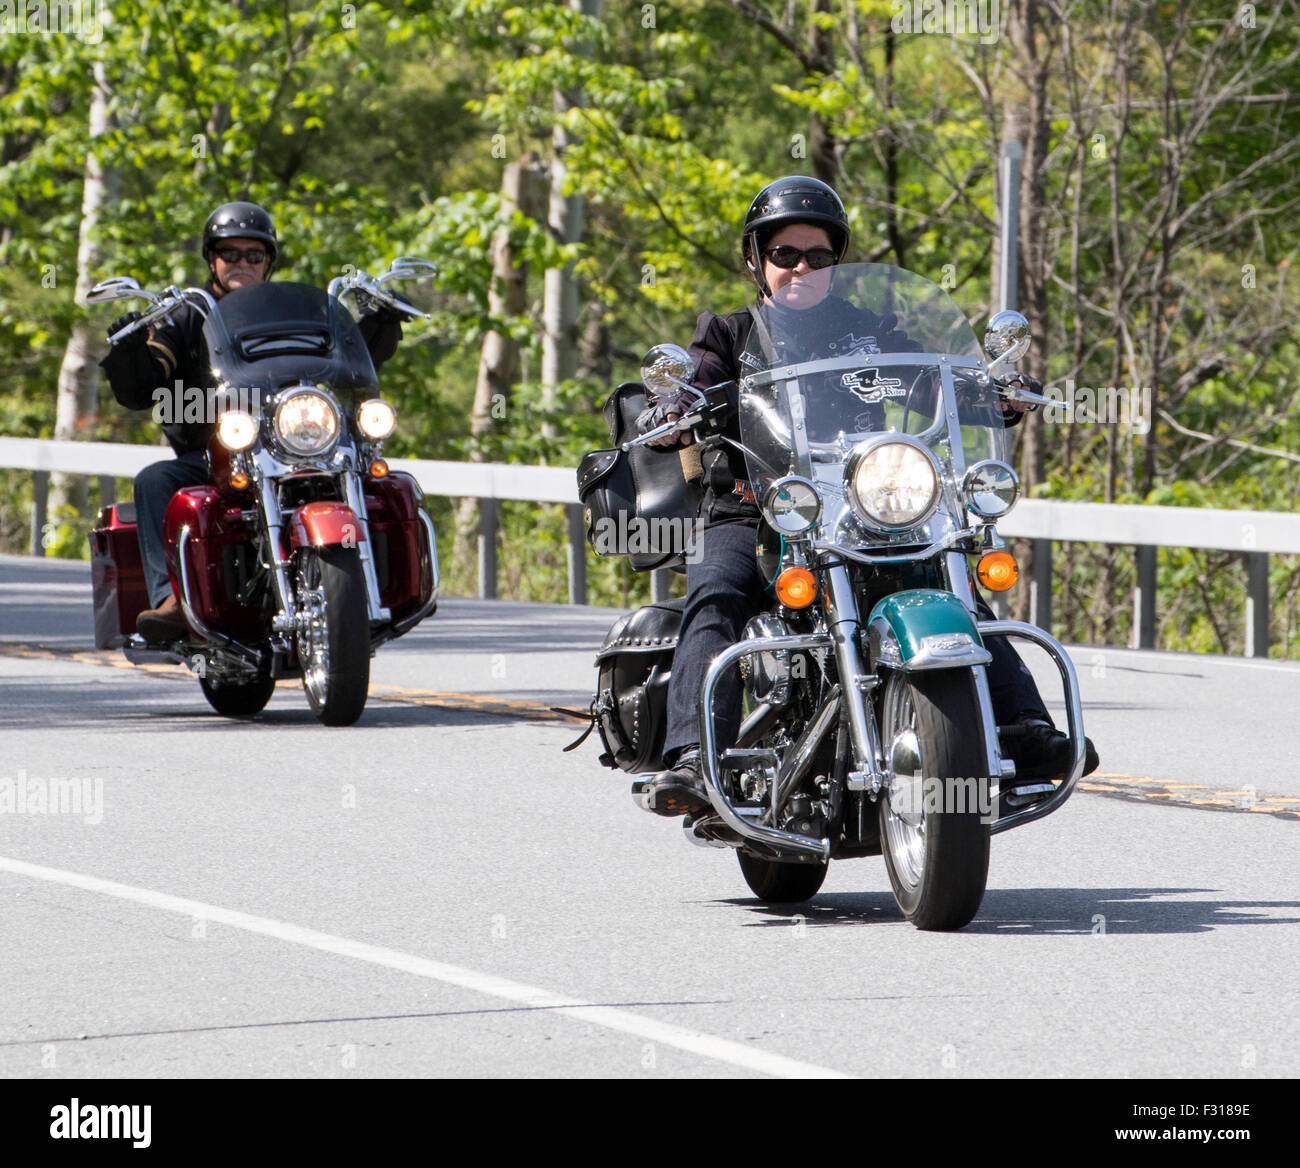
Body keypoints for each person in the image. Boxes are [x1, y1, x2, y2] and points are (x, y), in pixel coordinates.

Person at [639, 175, 1098, 816]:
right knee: (716, 593)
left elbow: (933, 380)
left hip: (862, 506)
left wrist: (990, 392)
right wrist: (676, 408)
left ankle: (1022, 726)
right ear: (757, 260)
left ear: (836, 263)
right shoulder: (729, 334)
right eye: (785, 255)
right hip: (760, 506)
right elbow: (692, 390)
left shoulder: (872, 330)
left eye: (819, 257)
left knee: (951, 579)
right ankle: (693, 755)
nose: (802, 267)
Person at [100, 201, 406, 643]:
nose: (242, 263)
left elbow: (349, 361)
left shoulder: (293, 310)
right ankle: (171, 599)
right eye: (230, 253)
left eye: (254, 254)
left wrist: (382, 323)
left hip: (300, 445)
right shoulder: (189, 313)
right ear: (212, 259)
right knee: (155, 480)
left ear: (269, 261)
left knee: (385, 483)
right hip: (216, 454)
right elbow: (143, 385)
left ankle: (388, 586)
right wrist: (130, 351)